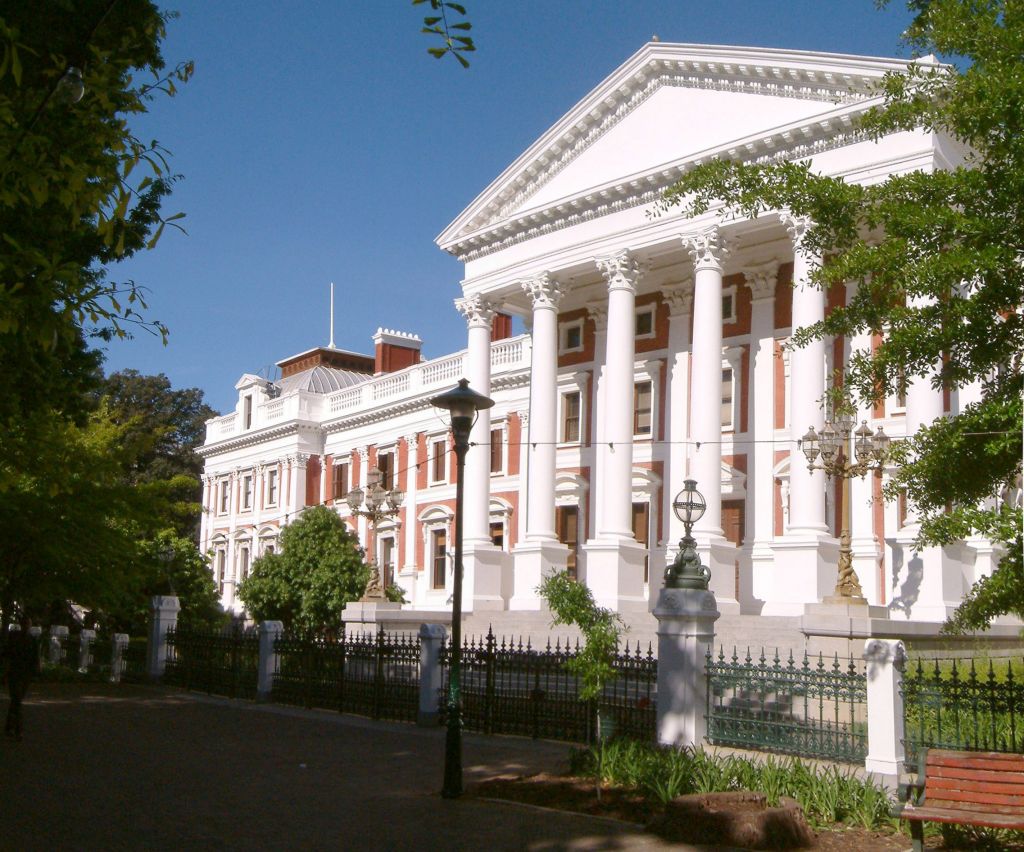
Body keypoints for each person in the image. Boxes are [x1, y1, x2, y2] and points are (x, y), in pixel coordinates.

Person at [3, 614, 40, 741]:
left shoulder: (32, 640)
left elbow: (35, 658)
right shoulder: (15, 638)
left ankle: (10, 727)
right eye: (25, 624)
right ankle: (18, 729)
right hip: (15, 674)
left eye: (28, 624)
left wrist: (35, 672)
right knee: (17, 700)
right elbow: (7, 655)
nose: (27, 626)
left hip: (24, 675)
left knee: (16, 701)